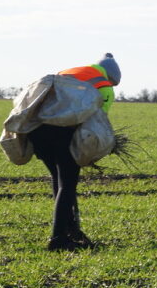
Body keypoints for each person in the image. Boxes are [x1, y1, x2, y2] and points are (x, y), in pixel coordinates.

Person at [29, 53, 121, 250]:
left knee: (59, 180)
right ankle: (58, 239)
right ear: (113, 78)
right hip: (61, 133)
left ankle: (70, 230)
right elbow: (96, 124)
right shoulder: (103, 86)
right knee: (68, 184)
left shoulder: (70, 72)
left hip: (35, 130)